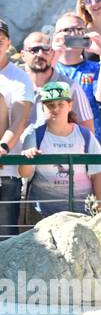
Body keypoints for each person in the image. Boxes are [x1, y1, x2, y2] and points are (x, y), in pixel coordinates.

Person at [18, 82, 101, 218]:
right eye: (50, 105)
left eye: (60, 104)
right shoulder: (33, 135)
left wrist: (99, 207)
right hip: (43, 213)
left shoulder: (84, 135)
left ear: (70, 105)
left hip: (82, 211)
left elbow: (98, 172)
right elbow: (24, 174)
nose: (55, 109)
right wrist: (27, 158)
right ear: (42, 107)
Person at [52, 12, 101, 147]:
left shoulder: (96, 68)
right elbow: (39, 93)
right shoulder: (49, 67)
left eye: (79, 30)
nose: (74, 34)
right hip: (55, 143)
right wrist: (53, 56)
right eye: (67, 30)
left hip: (89, 144)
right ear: (55, 36)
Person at [20, 32, 95, 133]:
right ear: (23, 55)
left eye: (46, 49)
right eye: (34, 50)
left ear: (53, 54)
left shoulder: (70, 87)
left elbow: (88, 131)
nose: (41, 54)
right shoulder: (14, 84)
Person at [0, 19, 33, 238]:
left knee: (5, 241)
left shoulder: (20, 77)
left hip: (6, 172)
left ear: (8, 42)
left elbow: (19, 121)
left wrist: (3, 147)